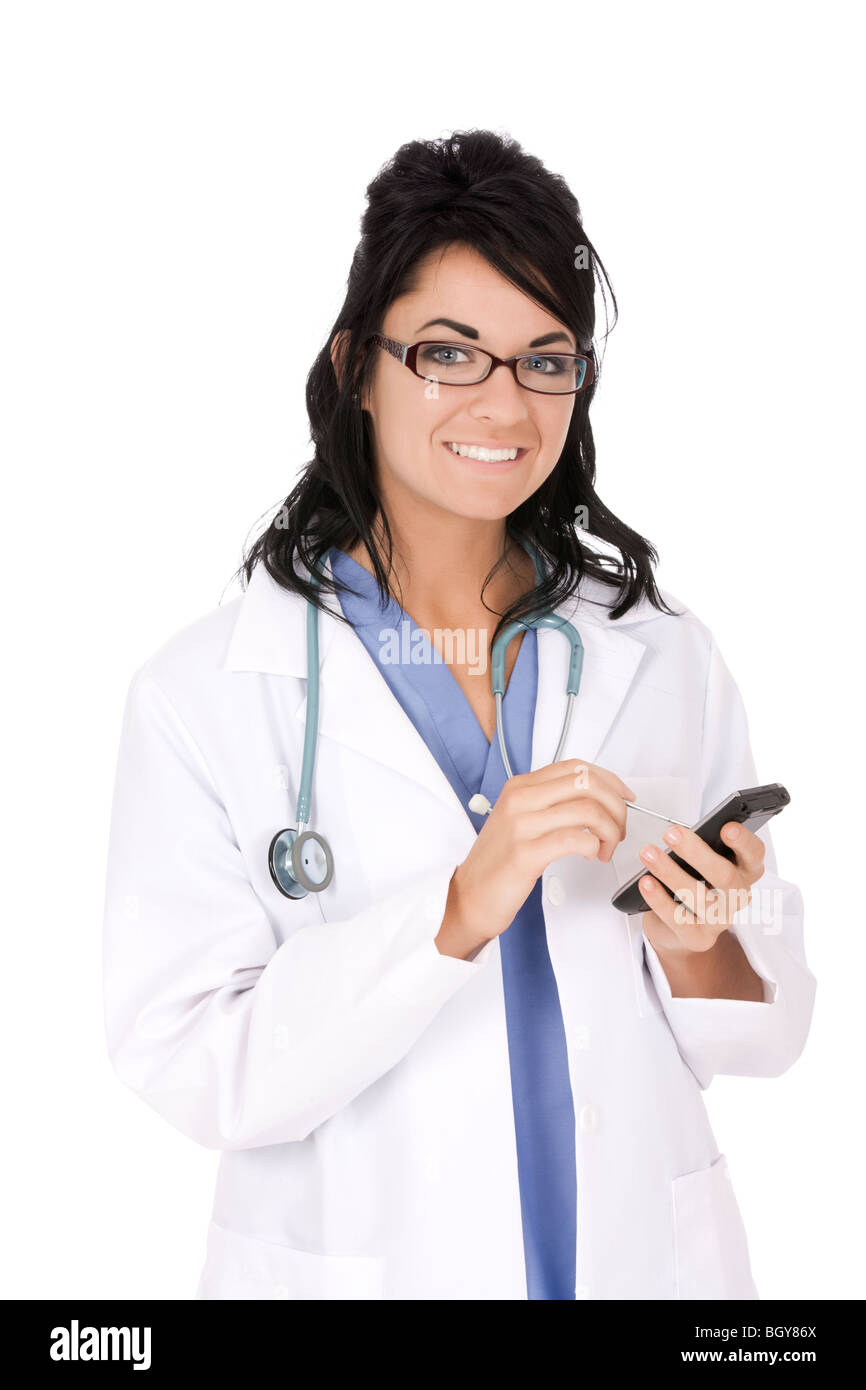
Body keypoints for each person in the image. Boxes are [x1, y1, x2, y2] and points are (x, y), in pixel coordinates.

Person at [102, 129, 817, 1300]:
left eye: (546, 359)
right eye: (450, 353)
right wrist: (453, 909)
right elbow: (189, 1063)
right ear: (355, 367)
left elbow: (762, 1034)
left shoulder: (660, 651)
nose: (505, 401)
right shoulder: (205, 694)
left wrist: (703, 943)